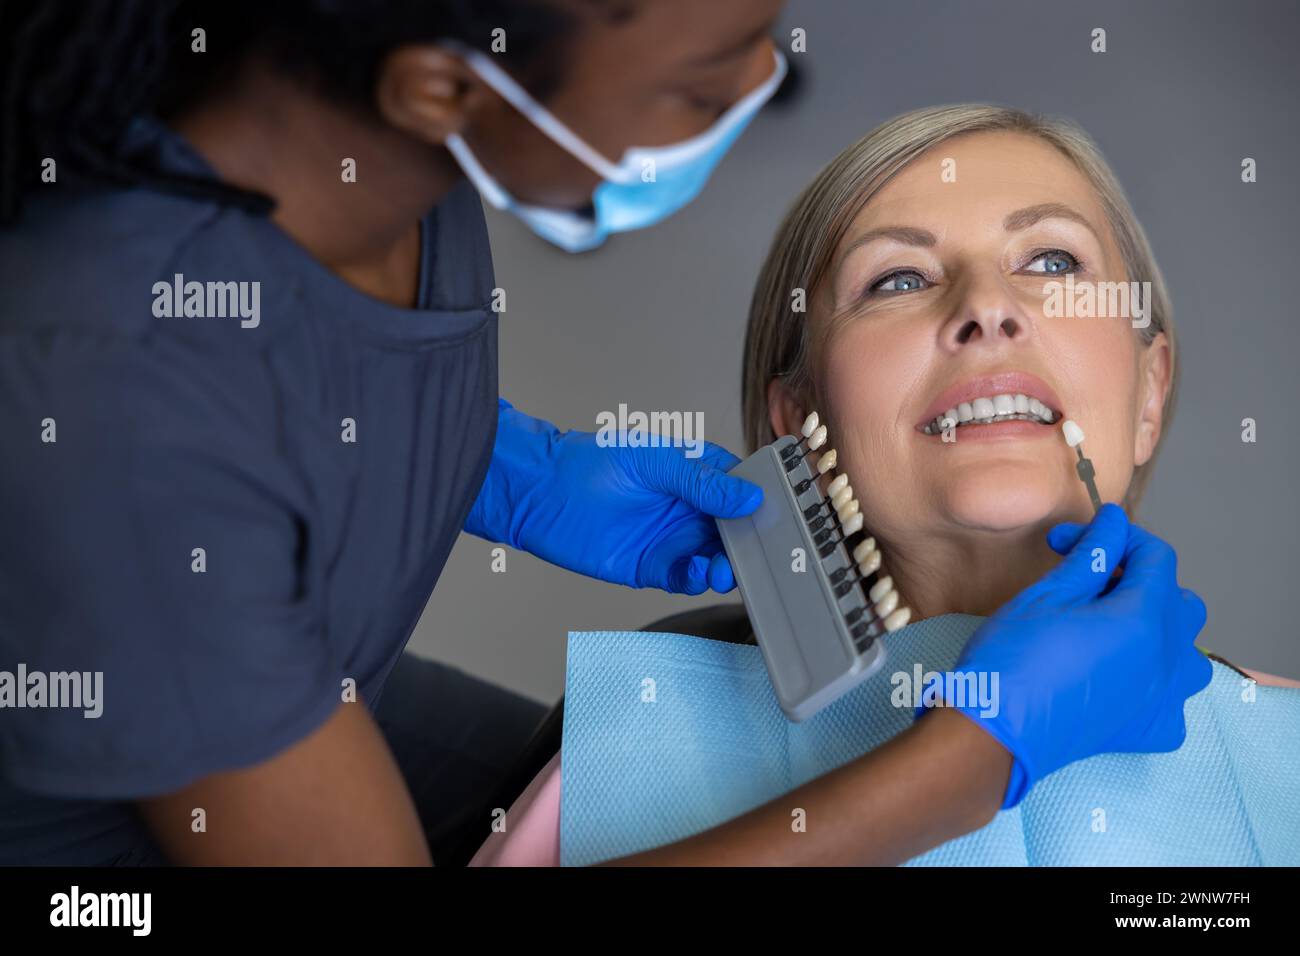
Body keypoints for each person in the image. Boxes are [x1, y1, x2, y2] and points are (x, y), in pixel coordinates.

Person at [0, 3, 1207, 866]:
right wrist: (971, 759)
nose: (758, 94)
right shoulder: (118, 407)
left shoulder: (384, 148)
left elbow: (272, 385)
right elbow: (182, 461)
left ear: (1153, 386)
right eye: (894, 279)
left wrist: (503, 465)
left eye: (1053, 261)